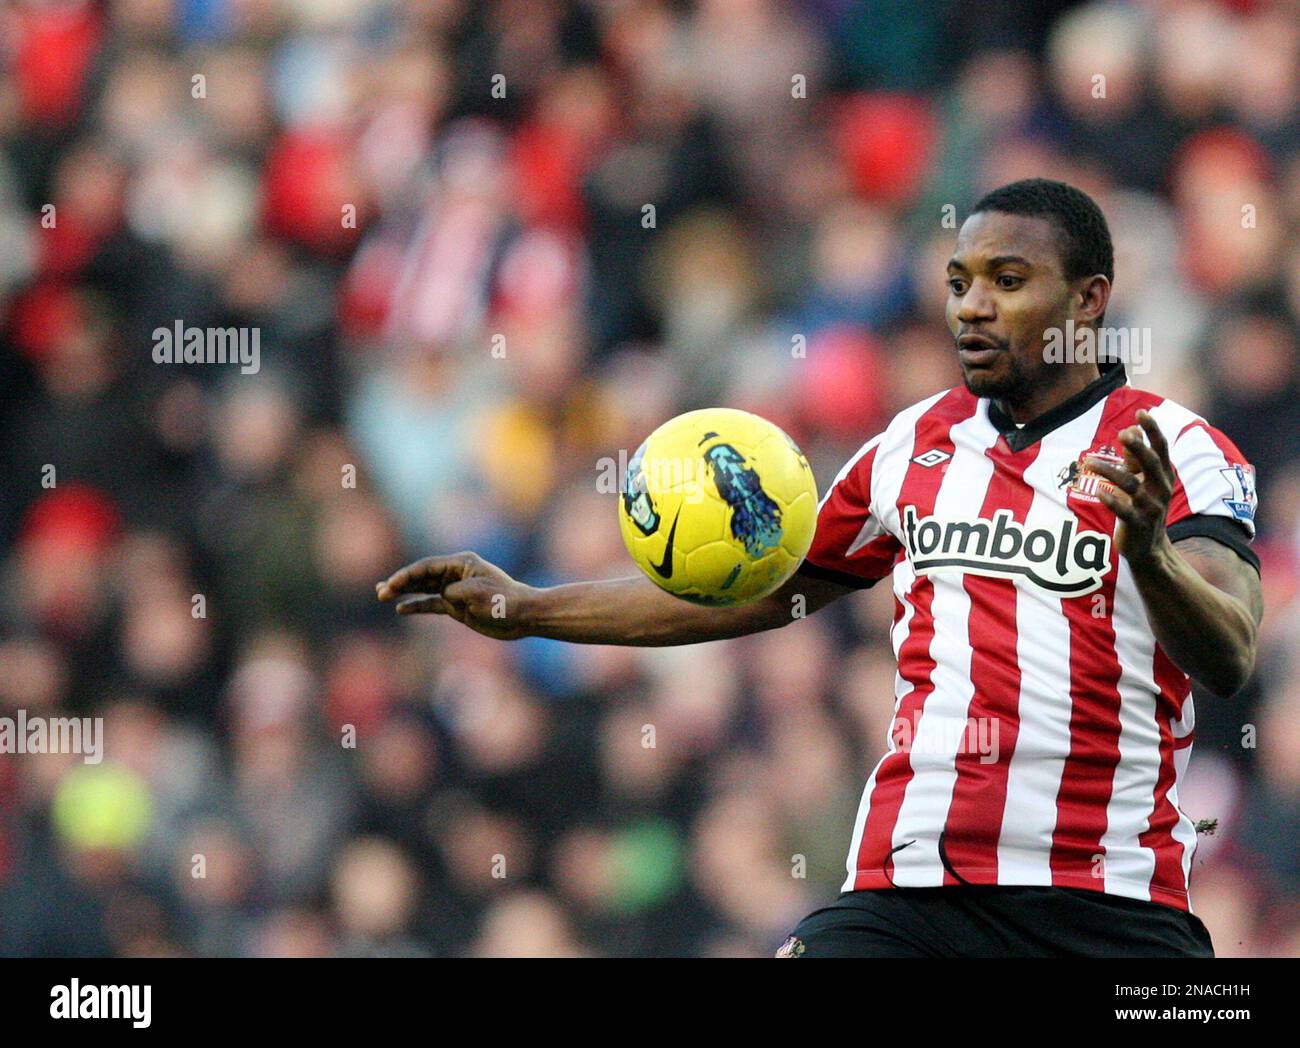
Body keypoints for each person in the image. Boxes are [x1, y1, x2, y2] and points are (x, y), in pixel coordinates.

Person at [376, 179, 1263, 957]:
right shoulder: (912, 443)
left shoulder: (1179, 449)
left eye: (1008, 281)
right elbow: (761, 596)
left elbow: (1228, 654)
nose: (971, 307)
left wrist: (1146, 553)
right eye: (959, 283)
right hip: (912, 889)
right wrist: (531, 610)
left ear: (1089, 299)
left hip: (1107, 897)